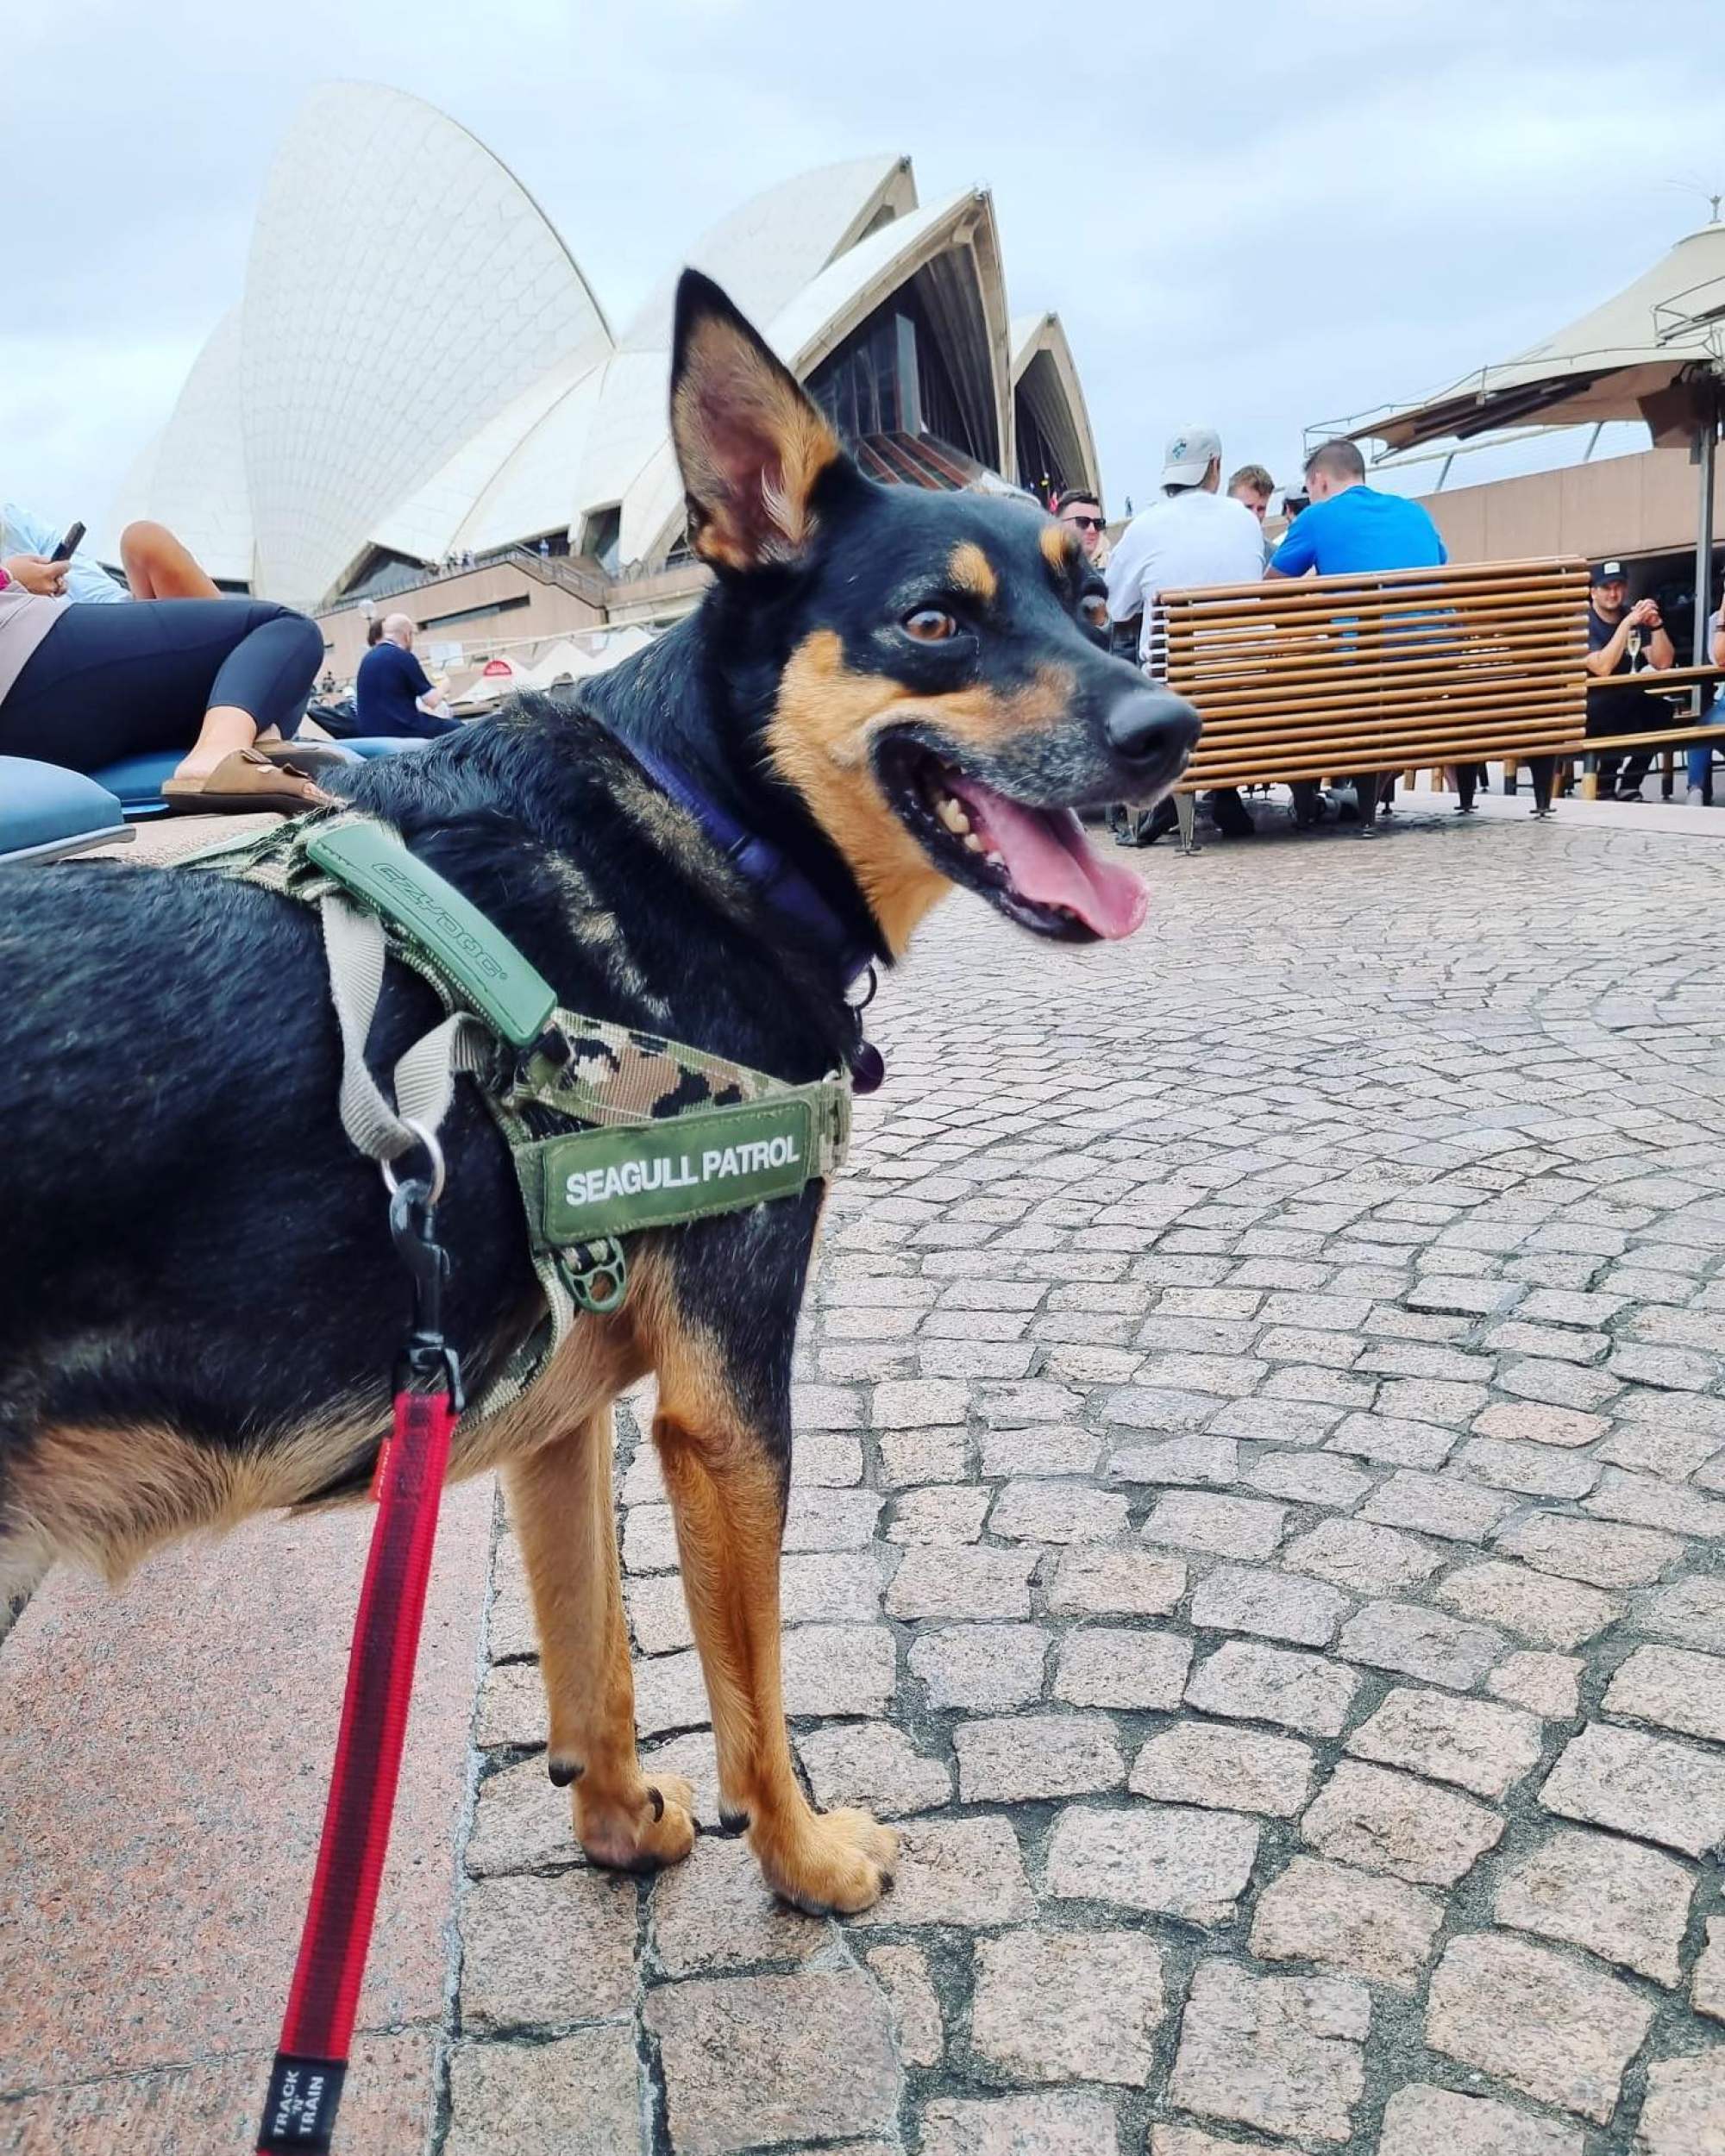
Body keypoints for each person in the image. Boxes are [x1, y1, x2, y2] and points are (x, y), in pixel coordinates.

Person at [0, 549, 332, 812]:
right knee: (284, 628)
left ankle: (247, 739)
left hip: (29, 722)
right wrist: (8, 577)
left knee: (259, 690)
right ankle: (217, 755)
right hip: (21, 654)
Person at [1107, 427, 1264, 840]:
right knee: (1226, 660)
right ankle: (1225, 790)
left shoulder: (1145, 526)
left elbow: (1118, 608)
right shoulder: (1245, 520)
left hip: (1175, 690)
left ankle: (1167, 796)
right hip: (1247, 690)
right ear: (1216, 466)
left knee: (1147, 665)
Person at [1267, 439, 1446, 578]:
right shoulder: (1416, 511)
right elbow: (1441, 564)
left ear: (1320, 481)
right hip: (1438, 625)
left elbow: (1270, 589)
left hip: (1363, 625)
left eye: (1309, 489)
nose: (1310, 499)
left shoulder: (1316, 517)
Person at [2, 501, 220, 605]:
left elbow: (83, 579)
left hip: (93, 630)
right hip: (36, 663)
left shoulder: (12, 520)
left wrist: (124, 615)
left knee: (145, 538)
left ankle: (239, 647)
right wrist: (8, 582)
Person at [1584, 559, 1675, 801]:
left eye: (1619, 586)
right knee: (1614, 707)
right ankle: (1604, 785)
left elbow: (1662, 663)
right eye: (1606, 587)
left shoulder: (1631, 617)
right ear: (1593, 592)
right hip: (1584, 707)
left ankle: (1631, 783)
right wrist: (1626, 625)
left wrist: (1656, 625)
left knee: (1662, 712)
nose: (1614, 593)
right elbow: (1602, 667)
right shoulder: (1583, 623)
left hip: (1624, 698)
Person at [354, 612, 461, 739]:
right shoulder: (403, 657)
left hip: (370, 732)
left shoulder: (367, 659)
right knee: (462, 730)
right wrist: (444, 685)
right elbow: (432, 701)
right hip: (402, 730)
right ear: (407, 635)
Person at [1687, 599, 1725, 805]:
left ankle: (1696, 791)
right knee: (1700, 732)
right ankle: (1696, 791)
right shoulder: (1716, 620)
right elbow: (1719, 657)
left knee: (1703, 731)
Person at [1053, 486, 1109, 568]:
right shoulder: (1038, 572)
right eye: (1082, 521)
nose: (1092, 530)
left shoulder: (1113, 570)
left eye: (1098, 524)